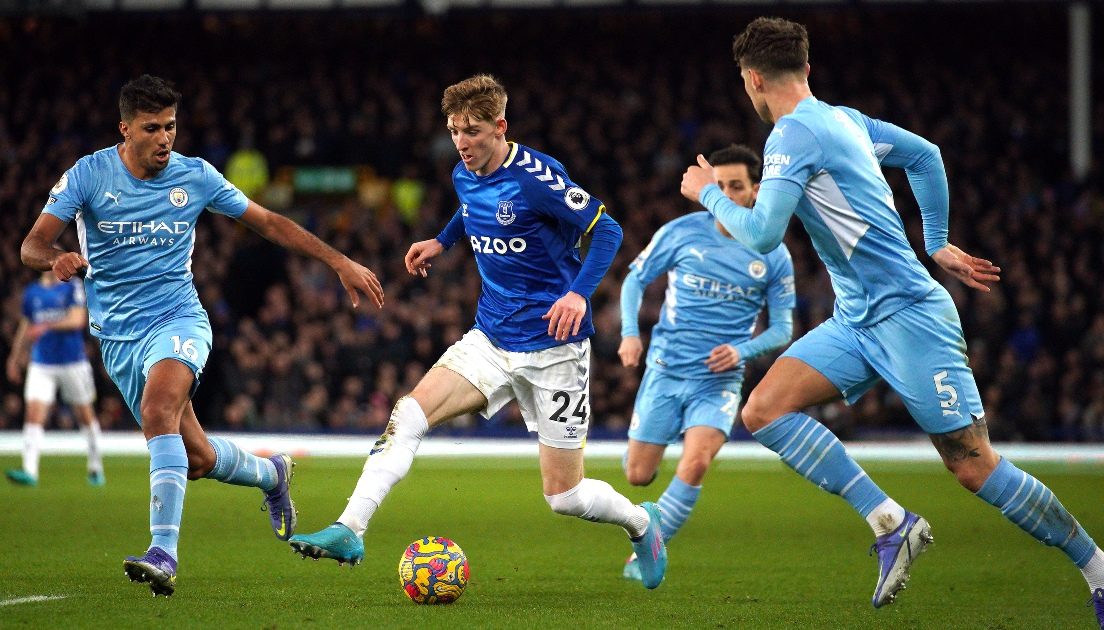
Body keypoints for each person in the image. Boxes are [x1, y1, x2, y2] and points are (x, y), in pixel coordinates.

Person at [680, 16, 1104, 621]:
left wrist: (709, 194)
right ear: (806, 68)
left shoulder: (790, 138)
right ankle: (891, 521)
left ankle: (1098, 568)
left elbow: (763, 232)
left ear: (752, 79)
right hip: (856, 319)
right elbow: (926, 157)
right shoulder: (846, 119)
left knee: (972, 464)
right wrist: (935, 240)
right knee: (764, 410)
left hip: (908, 315)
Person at [289, 74, 668, 589]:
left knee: (565, 497)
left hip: (554, 351)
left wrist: (577, 294)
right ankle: (349, 528)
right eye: (453, 132)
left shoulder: (537, 177)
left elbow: (608, 229)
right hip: (489, 340)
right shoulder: (463, 174)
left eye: (472, 131)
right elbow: (471, 209)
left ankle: (643, 526)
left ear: (500, 127)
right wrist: (442, 240)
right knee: (408, 415)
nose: (462, 143)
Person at [19, 74, 384, 597]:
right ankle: (270, 474)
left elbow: (270, 223)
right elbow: (31, 245)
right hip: (119, 338)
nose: (165, 138)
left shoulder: (196, 177)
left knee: (158, 409)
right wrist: (57, 258)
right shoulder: (88, 175)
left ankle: (162, 552)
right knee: (197, 460)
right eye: (152, 128)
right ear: (125, 129)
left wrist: (339, 260)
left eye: (170, 126)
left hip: (178, 319)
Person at [618, 144, 794, 581]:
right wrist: (629, 334)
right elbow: (635, 279)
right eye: (718, 186)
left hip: (717, 379)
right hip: (664, 369)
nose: (726, 195)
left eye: (736, 186)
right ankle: (655, 511)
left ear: (756, 192)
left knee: (696, 463)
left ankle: (649, 550)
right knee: (638, 476)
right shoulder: (680, 232)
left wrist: (742, 351)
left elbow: (783, 329)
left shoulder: (773, 253)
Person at [5, 272, 104, 487]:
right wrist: (15, 357)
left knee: (85, 414)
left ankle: (95, 466)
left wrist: (47, 326)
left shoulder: (73, 287)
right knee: (33, 413)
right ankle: (30, 471)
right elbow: (26, 325)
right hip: (41, 363)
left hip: (73, 362)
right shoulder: (32, 292)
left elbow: (77, 319)